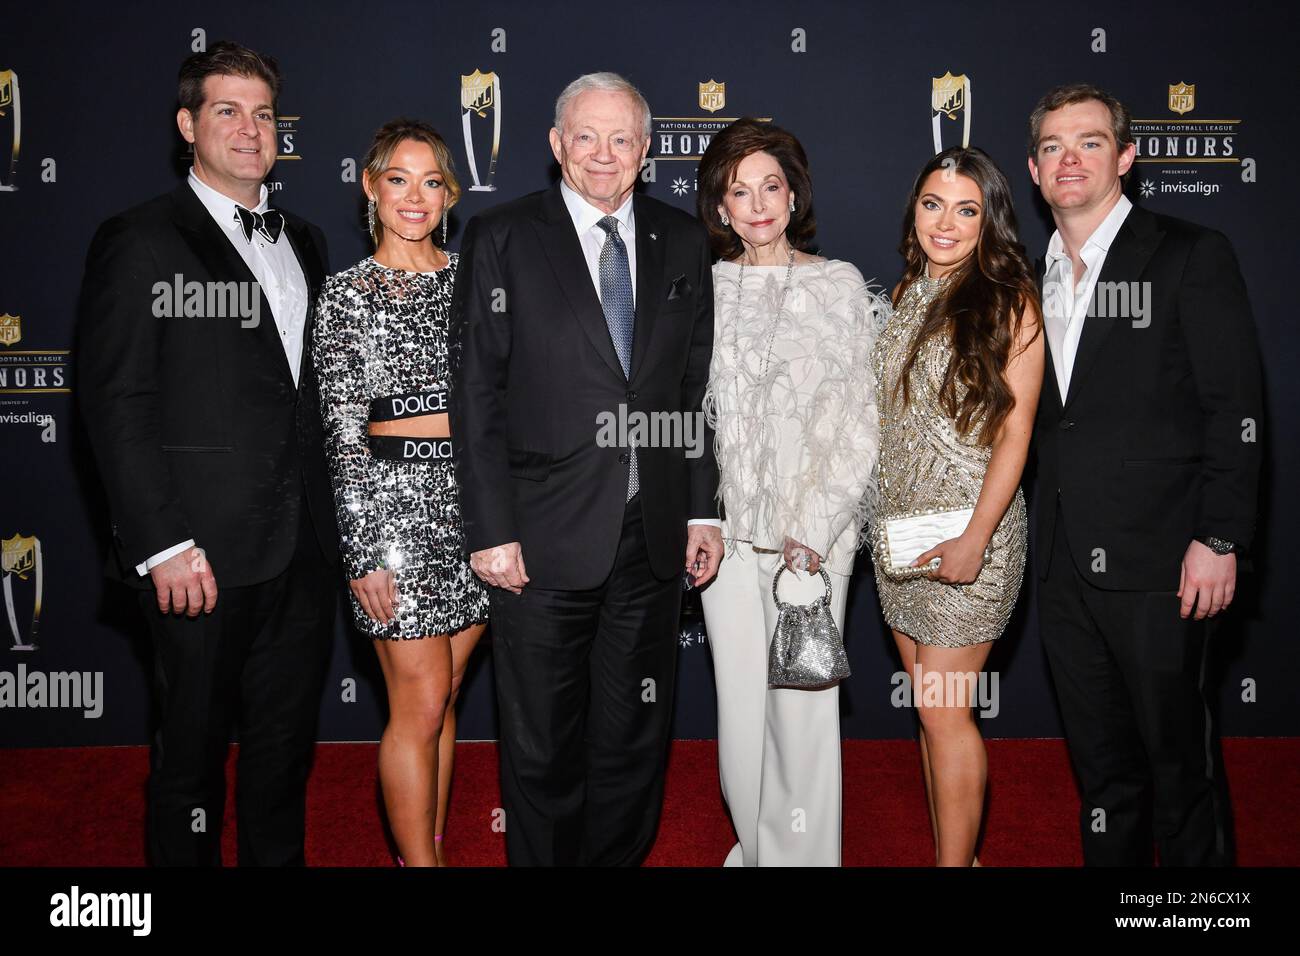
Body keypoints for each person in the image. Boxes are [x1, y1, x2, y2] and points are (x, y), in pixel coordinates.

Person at [450, 72, 723, 866]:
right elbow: (476, 394)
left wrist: (702, 509)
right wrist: (492, 529)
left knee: (634, 735)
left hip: (652, 537)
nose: (603, 155)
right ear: (555, 145)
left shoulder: (682, 238)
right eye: (586, 137)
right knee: (540, 743)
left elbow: (692, 385)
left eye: (621, 139)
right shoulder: (501, 235)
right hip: (538, 539)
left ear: (647, 150)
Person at [76, 41, 339, 865]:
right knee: (188, 767)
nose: (250, 129)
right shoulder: (141, 240)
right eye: (228, 110)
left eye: (263, 113)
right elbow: (116, 402)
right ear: (188, 124)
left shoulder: (306, 238)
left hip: (302, 550)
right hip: (197, 558)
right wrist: (161, 542)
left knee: (281, 757)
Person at [1027, 83, 1262, 866]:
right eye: (1055, 146)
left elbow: (1235, 408)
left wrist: (1220, 537)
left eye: (1090, 142)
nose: (1071, 159)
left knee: (1179, 770)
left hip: (1164, 562)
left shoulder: (1190, 253)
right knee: (1103, 774)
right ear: (1033, 169)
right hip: (1061, 563)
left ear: (1126, 157)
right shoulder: (1034, 277)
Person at [696, 118, 887, 866]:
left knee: (803, 716)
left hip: (813, 538)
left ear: (793, 192)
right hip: (726, 539)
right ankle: (759, 850)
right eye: (738, 192)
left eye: (769, 186)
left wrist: (815, 523)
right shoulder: (702, 288)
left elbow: (860, 417)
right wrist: (702, 520)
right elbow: (689, 416)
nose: (757, 205)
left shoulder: (837, 284)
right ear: (719, 208)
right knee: (741, 713)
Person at [312, 119, 488, 867]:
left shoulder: (475, 281)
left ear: (449, 194)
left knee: (444, 696)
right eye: (398, 180)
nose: (414, 197)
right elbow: (344, 436)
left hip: (477, 514)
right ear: (370, 186)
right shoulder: (346, 296)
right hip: (393, 521)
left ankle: (434, 847)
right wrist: (363, 551)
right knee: (417, 702)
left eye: (430, 182)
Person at [871, 146, 1043, 866]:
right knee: (931, 712)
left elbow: (1017, 434)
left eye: (967, 209)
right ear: (914, 211)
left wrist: (976, 535)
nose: (946, 221)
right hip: (900, 536)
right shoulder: (910, 289)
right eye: (933, 203)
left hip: (971, 535)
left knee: (945, 711)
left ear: (989, 220)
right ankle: (960, 856)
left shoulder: (1010, 299)